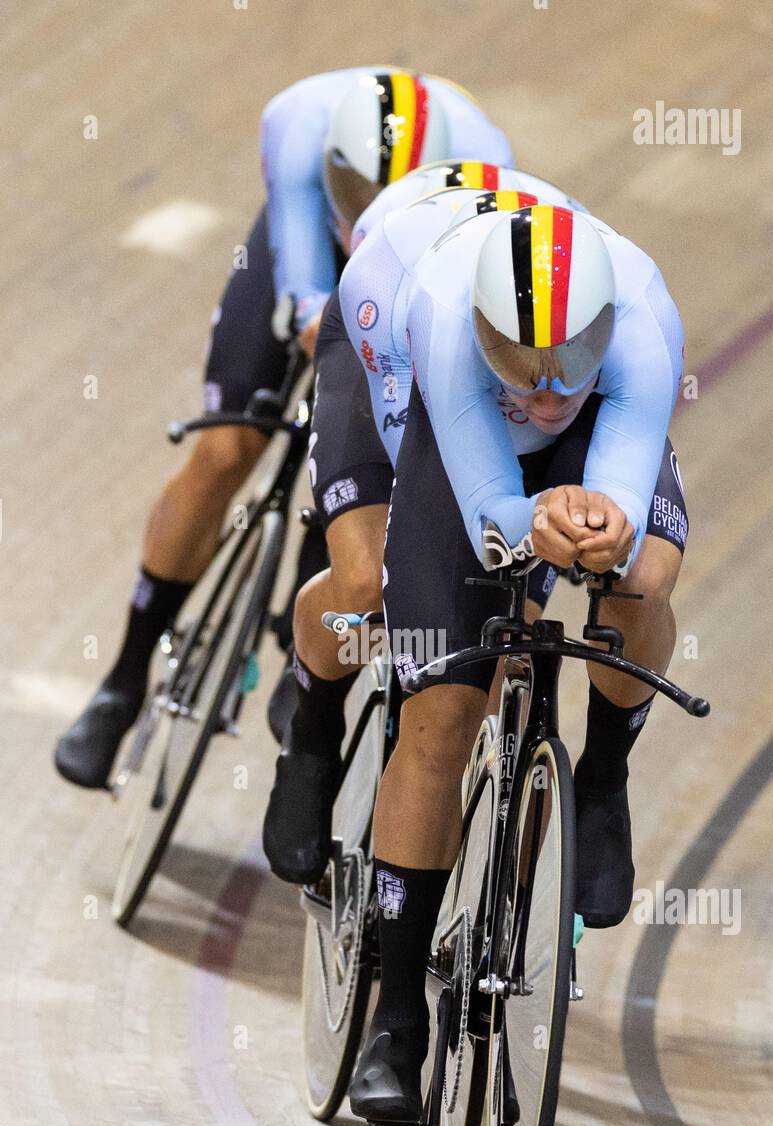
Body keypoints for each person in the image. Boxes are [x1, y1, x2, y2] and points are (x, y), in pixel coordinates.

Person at [54, 69, 512, 788]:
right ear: (333, 168)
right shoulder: (295, 126)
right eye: (354, 194)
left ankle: (309, 636)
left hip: (413, 261)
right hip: (314, 248)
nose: (361, 210)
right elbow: (303, 290)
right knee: (225, 447)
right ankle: (123, 675)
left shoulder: (489, 166)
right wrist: (318, 329)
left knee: (373, 452)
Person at [334, 201, 686, 1126]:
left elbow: (615, 496)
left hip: (592, 441)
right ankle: (396, 1018)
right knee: (441, 716)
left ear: (600, 338)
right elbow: (488, 499)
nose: (536, 394)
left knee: (640, 578)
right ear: (488, 334)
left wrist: (598, 529)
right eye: (517, 370)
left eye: (561, 374)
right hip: (463, 450)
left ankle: (601, 774)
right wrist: (527, 524)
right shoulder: (450, 325)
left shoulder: (643, 322)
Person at [262, 167, 585, 881]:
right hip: (390, 360)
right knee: (367, 584)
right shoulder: (414, 286)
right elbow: (408, 453)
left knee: (496, 649)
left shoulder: (569, 305)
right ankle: (312, 725)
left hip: (501, 383)